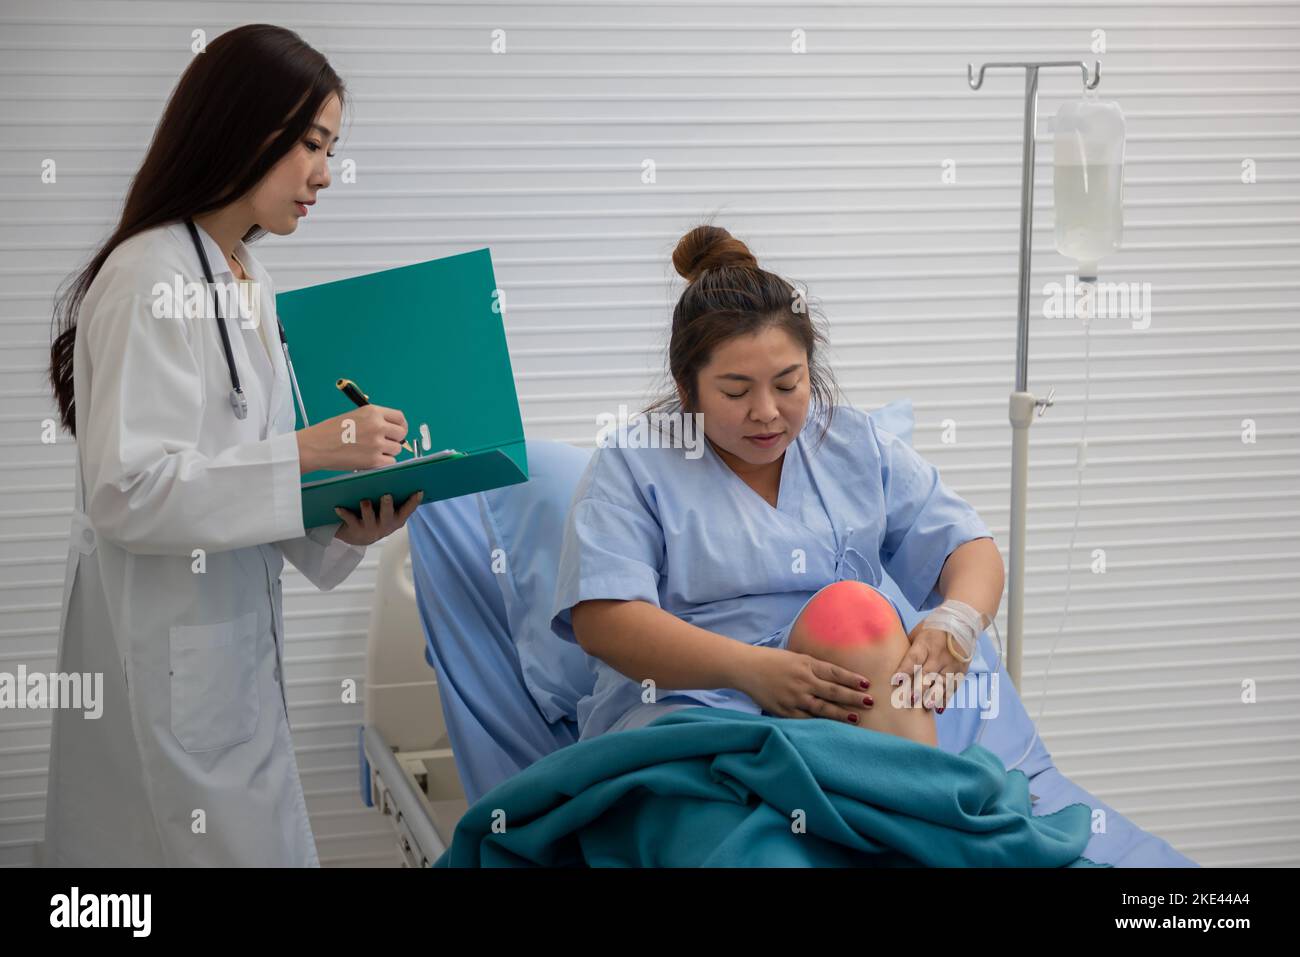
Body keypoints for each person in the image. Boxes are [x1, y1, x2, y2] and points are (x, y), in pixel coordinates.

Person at [41, 25, 421, 867]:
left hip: (225, 662)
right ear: (247, 127)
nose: (325, 173)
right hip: (168, 663)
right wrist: (313, 452)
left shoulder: (243, 273)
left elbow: (240, 472)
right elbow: (129, 491)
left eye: (330, 149)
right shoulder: (149, 276)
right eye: (312, 144)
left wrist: (339, 528)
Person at [551, 224, 1005, 742]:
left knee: (853, 614)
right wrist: (752, 671)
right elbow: (605, 620)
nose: (766, 413)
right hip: (692, 712)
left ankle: (905, 798)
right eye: (736, 391)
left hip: (848, 705)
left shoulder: (853, 444)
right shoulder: (635, 464)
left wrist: (960, 620)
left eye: (788, 384)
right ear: (686, 387)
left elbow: (967, 546)